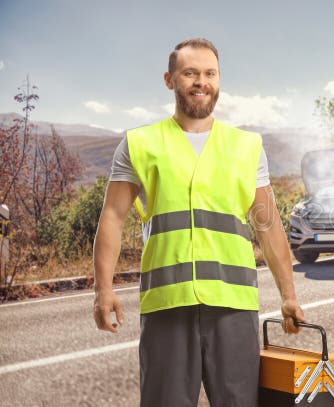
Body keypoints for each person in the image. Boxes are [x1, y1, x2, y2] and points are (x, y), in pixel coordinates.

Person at [92, 38, 305, 407]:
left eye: (209, 73)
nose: (200, 81)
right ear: (169, 79)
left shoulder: (247, 146)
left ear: (219, 80)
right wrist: (102, 289)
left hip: (233, 305)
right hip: (167, 304)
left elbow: (268, 226)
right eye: (190, 73)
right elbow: (112, 217)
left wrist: (288, 296)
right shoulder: (139, 143)